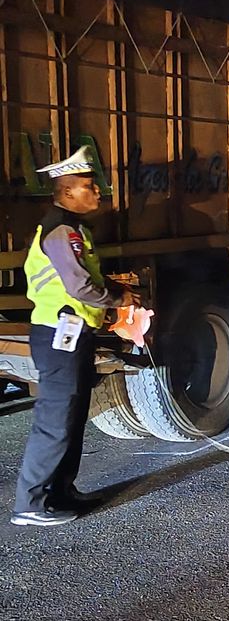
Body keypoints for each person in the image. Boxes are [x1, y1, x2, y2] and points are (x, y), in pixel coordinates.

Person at [12, 148, 136, 527]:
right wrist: (119, 298)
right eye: (88, 186)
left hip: (73, 334)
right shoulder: (62, 231)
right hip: (57, 336)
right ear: (66, 193)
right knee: (55, 419)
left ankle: (61, 490)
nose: (97, 192)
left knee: (72, 416)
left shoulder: (75, 230)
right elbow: (80, 286)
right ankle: (29, 504)